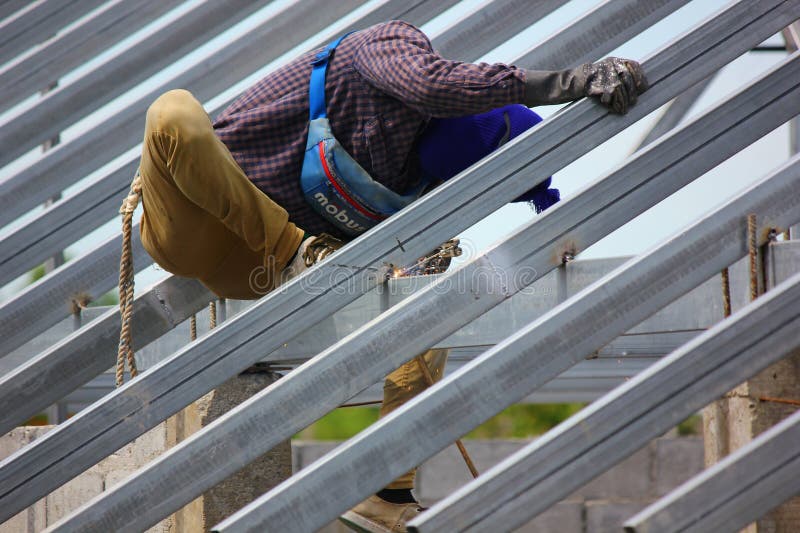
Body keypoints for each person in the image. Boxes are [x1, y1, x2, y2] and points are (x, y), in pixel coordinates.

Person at [134, 20, 646, 533]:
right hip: (194, 219)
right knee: (172, 111)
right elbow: (432, 85)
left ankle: (387, 491)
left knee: (433, 305)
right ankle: (292, 249)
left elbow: (414, 319)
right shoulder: (389, 47)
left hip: (253, 277)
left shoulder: (422, 191)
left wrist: (423, 271)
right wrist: (571, 83)